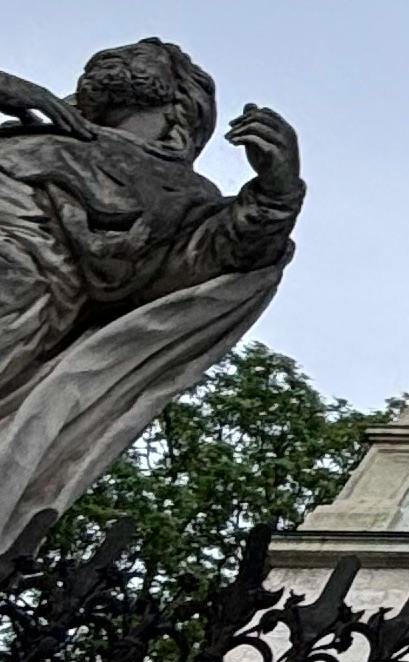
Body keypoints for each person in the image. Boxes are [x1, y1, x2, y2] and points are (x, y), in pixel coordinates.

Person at [0, 38, 303, 561]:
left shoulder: (178, 192)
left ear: (178, 112)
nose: (148, 50)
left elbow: (222, 255)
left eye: (161, 67)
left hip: (18, 290)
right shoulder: (23, 131)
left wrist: (278, 190)